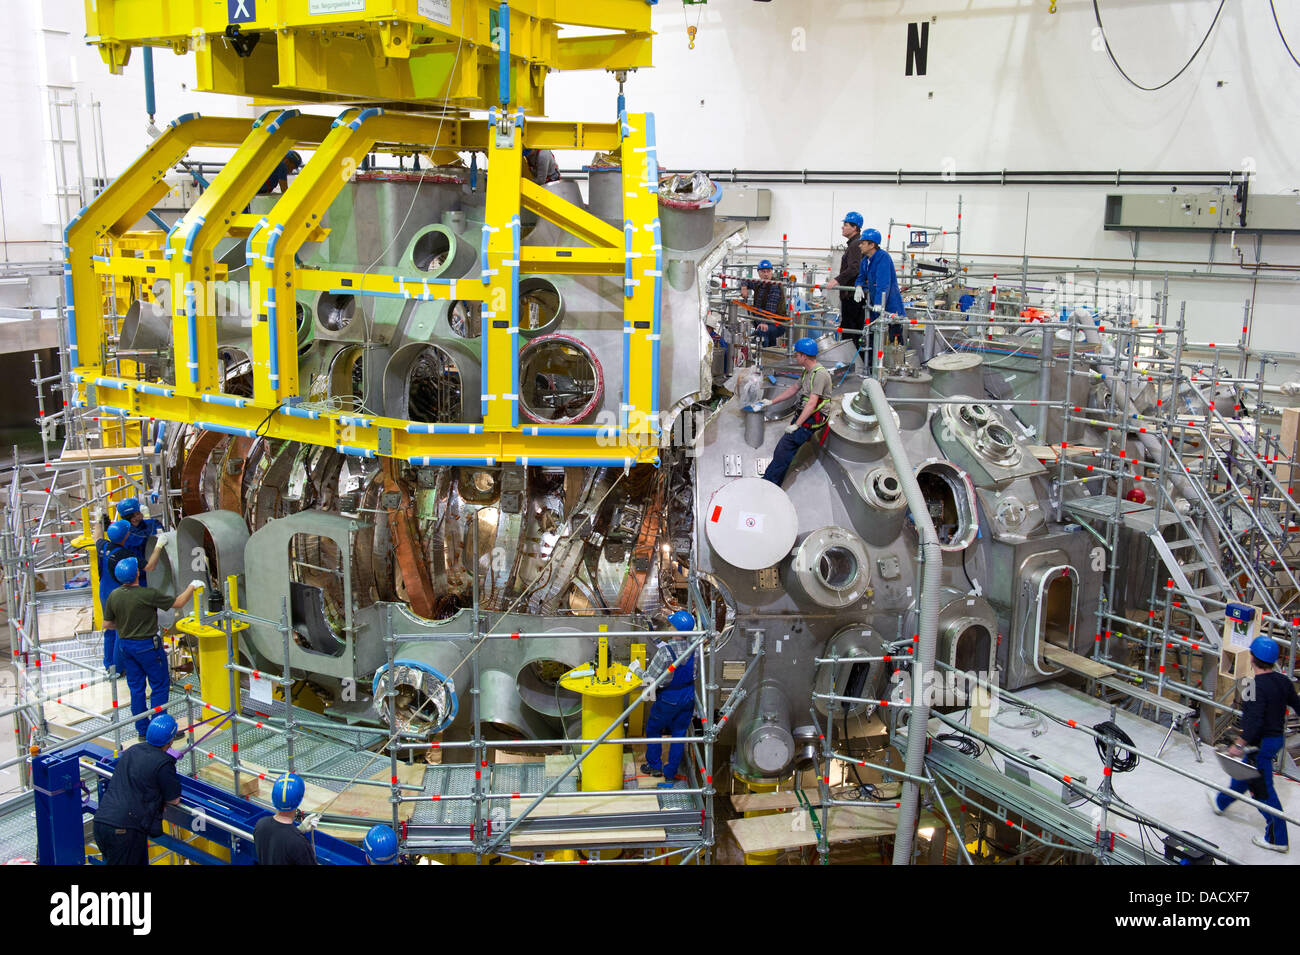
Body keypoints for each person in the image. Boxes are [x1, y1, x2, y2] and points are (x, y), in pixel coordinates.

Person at [1209, 636, 1299, 853]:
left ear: (1252, 658)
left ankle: (1278, 838)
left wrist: (1238, 745)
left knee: (1263, 790)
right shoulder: (1284, 681)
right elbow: (1298, 705)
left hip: (1260, 744)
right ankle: (1221, 803)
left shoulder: (1252, 686)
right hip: (1275, 740)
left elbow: (1253, 722)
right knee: (1245, 774)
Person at [103, 557, 199, 741]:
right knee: (159, 687)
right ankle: (160, 731)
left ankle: (142, 730)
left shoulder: (114, 595)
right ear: (137, 573)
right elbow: (178, 603)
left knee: (137, 689)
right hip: (148, 647)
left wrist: (125, 625)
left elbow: (107, 624)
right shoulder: (147, 594)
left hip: (126, 647)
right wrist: (192, 587)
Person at [92, 714, 183, 865]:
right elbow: (174, 799)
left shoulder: (133, 750)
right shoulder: (164, 763)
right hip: (124, 830)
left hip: (102, 823)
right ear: (171, 740)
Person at [756, 337, 834, 487]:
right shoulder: (807, 372)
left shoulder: (820, 375)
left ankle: (769, 484)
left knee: (783, 450)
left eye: (797, 354)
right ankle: (771, 481)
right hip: (805, 414)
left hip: (813, 417)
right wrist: (771, 402)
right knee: (784, 450)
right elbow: (793, 389)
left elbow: (812, 403)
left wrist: (797, 425)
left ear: (804, 356)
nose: (795, 357)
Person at [640, 610, 698, 789]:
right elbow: (673, 653)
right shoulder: (695, 648)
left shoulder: (665, 652)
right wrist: (655, 638)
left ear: (673, 628)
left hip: (669, 698)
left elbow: (649, 678)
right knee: (679, 734)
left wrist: (635, 668)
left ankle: (654, 765)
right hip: (688, 696)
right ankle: (671, 771)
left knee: (653, 728)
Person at [853, 228, 907, 358]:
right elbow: (861, 277)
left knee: (894, 343)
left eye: (863, 243)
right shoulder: (865, 261)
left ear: (872, 245)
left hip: (890, 307)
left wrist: (879, 303)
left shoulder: (883, 258)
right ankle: (873, 369)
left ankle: (897, 369)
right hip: (875, 308)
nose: (860, 245)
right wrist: (858, 286)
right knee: (872, 339)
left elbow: (883, 285)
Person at [824, 212, 865, 366]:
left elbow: (854, 268)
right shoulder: (854, 244)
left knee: (850, 332)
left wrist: (837, 280)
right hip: (851, 295)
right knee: (851, 331)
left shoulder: (855, 244)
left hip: (852, 297)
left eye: (846, 225)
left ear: (854, 228)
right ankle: (854, 365)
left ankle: (852, 366)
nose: (843, 227)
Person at [254, 773, 317, 865]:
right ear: (300, 799)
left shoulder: (261, 825)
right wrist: (297, 833)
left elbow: (279, 840)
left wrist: (299, 829)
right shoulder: (300, 843)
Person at [115, 497, 165, 585]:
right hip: (140, 577)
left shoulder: (149, 523)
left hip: (158, 569)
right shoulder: (127, 534)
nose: (141, 512)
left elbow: (156, 525)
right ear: (133, 519)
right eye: (138, 512)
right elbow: (144, 538)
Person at [741, 259, 787, 347]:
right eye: (763, 271)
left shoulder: (774, 286)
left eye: (768, 271)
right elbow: (745, 280)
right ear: (758, 273)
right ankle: (772, 354)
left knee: (762, 331)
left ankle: (763, 356)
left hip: (776, 323)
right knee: (764, 333)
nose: (766, 274)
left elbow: (771, 309)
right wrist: (744, 287)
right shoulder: (759, 284)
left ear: (771, 272)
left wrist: (764, 323)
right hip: (763, 322)